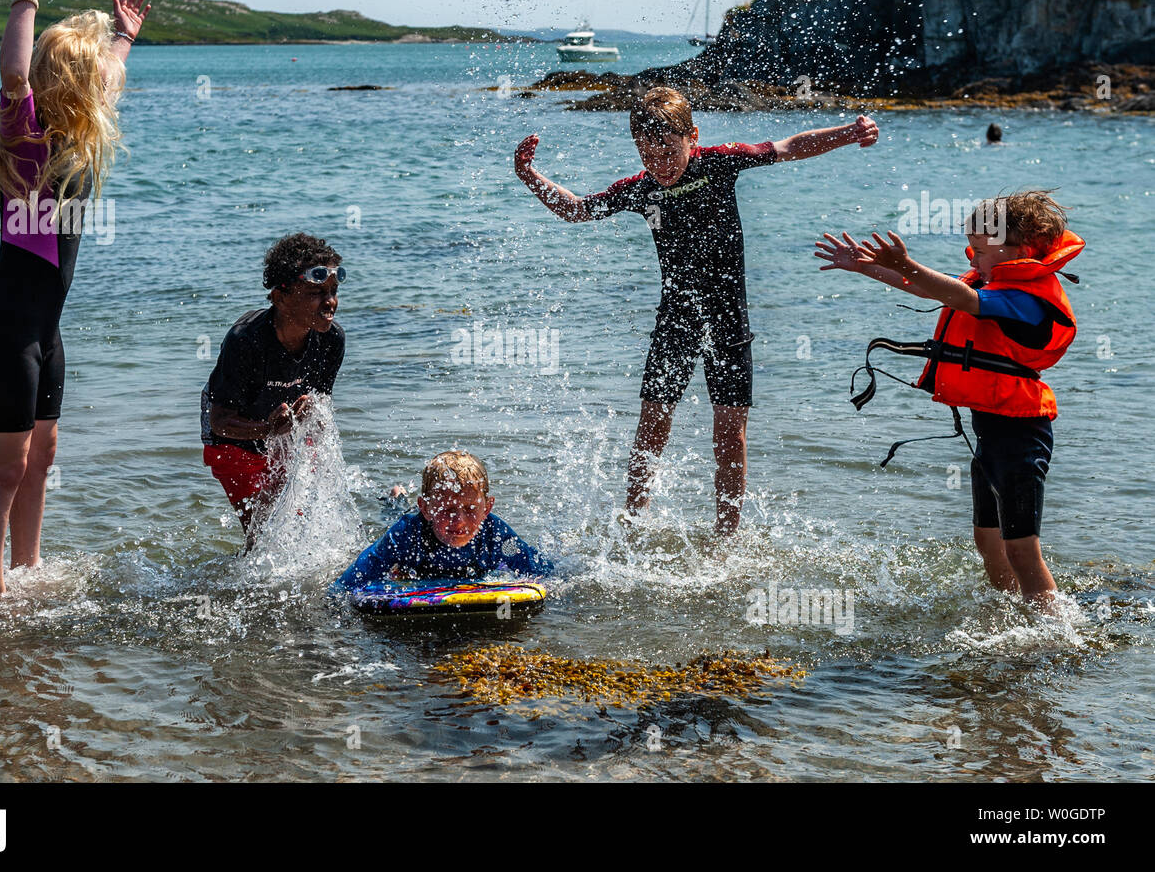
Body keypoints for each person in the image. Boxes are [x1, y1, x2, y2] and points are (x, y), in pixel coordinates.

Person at [514, 87, 878, 534]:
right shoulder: (641, 190)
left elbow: (788, 147)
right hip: (676, 321)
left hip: (729, 322)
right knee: (651, 429)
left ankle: (725, 537)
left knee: (730, 436)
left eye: (668, 149)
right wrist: (528, 175)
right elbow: (577, 210)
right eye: (646, 152)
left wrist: (849, 132)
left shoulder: (720, 162)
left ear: (692, 137)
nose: (659, 162)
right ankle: (633, 524)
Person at [0, 0, 149, 598]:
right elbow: (16, 72)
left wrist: (124, 37)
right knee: (6, 468)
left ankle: (29, 569)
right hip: (7, 329)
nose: (100, 79)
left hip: (47, 333)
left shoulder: (79, 135)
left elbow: (106, 79)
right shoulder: (26, 140)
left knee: (40, 459)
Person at [814, 191, 1083, 608]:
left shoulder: (1024, 298)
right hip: (990, 433)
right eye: (969, 250)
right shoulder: (992, 282)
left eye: (979, 251)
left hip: (1020, 434)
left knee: (1021, 548)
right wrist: (869, 268)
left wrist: (906, 263)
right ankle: (1010, 614)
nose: (971, 260)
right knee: (988, 540)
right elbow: (929, 290)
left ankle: (1054, 630)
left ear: (1023, 252)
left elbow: (960, 298)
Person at [201, 233, 345, 548]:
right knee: (261, 537)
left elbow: (320, 405)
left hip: (283, 434)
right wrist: (267, 428)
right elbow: (220, 420)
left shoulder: (332, 340)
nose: (330, 302)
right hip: (232, 439)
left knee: (293, 526)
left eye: (333, 291)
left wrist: (309, 420)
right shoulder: (245, 340)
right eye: (316, 292)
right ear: (280, 298)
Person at [334, 451, 553, 590]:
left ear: (487, 508)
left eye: (470, 509)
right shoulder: (406, 533)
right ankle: (396, 496)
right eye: (448, 509)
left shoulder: (495, 533)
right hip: (411, 520)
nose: (459, 521)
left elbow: (541, 571)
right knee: (395, 515)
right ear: (426, 509)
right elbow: (354, 578)